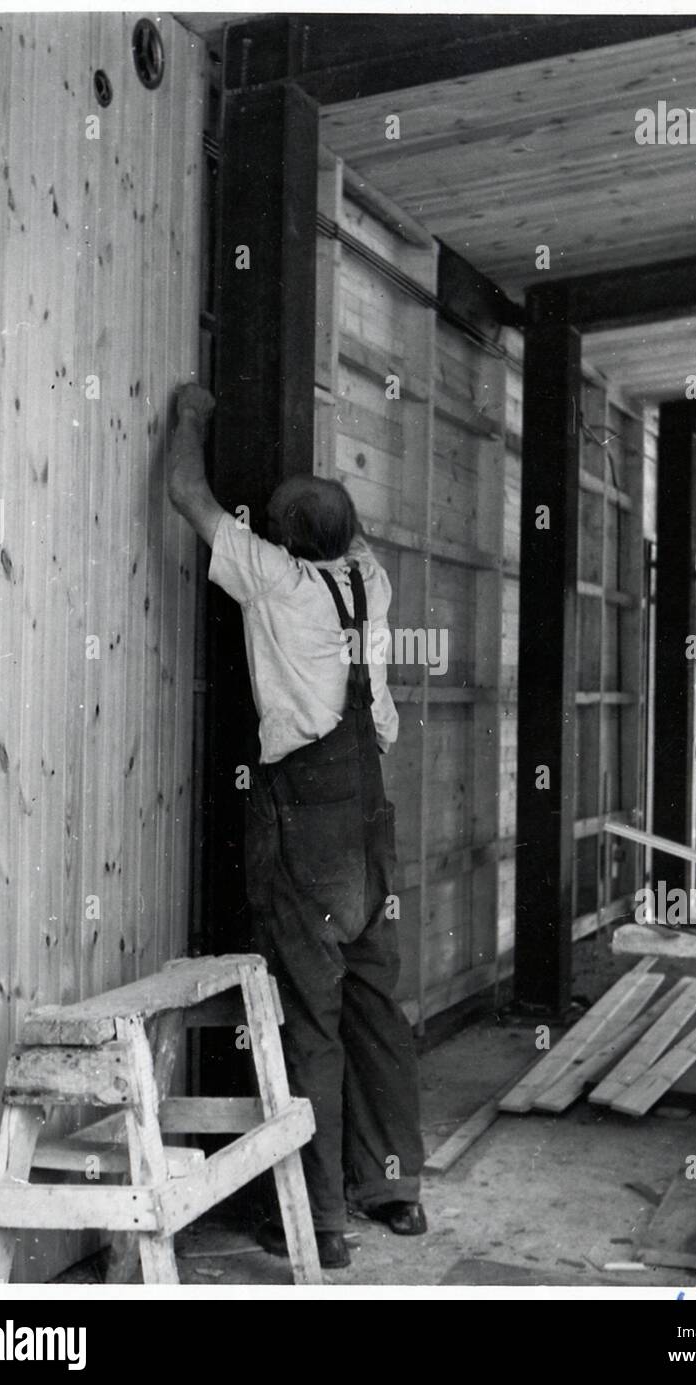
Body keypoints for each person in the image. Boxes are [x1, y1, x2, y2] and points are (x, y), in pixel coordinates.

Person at [166, 382, 426, 1269]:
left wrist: (193, 417)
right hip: (369, 814)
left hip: (305, 827)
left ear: (279, 536)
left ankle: (319, 1223)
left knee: (308, 1020)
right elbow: (343, 533)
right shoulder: (371, 580)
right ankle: (393, 1187)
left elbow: (187, 499)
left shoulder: (274, 582)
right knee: (374, 1005)